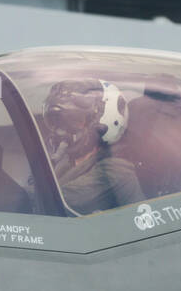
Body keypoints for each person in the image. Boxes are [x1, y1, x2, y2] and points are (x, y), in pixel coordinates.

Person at [40, 79, 143, 215]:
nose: (61, 132)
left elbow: (51, 200)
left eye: (74, 122)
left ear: (105, 124)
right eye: (58, 123)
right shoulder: (66, 163)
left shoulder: (115, 171)